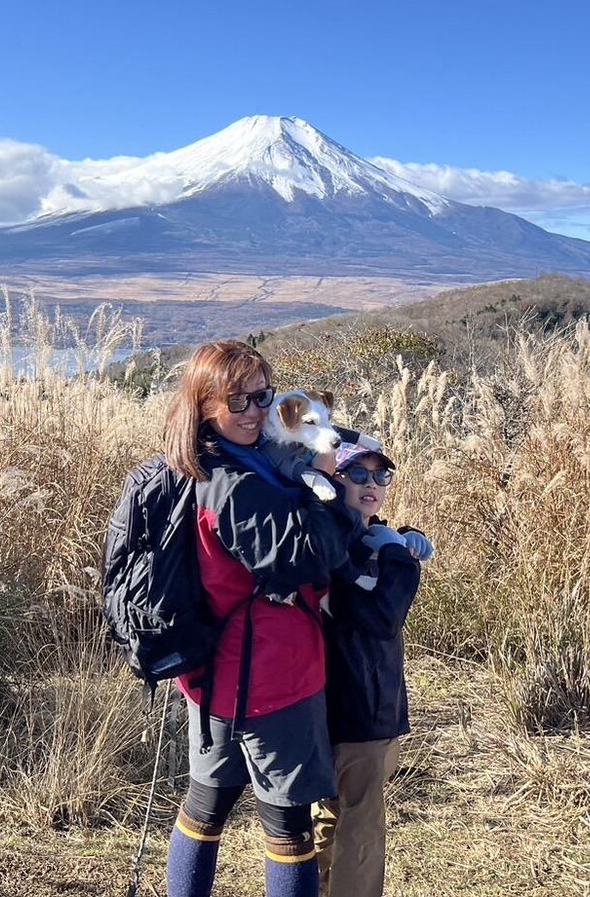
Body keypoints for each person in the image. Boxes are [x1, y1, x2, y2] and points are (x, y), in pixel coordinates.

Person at [162, 339, 360, 897]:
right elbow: (308, 557)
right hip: (269, 673)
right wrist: (329, 485)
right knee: (288, 824)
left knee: (206, 803)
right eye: (237, 400)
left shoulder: (211, 464)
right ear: (205, 404)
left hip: (216, 675)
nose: (254, 411)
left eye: (261, 396)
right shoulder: (234, 486)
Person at [311, 437, 434, 897]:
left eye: (381, 475)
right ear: (330, 479)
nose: (372, 483)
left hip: (348, 706)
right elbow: (383, 616)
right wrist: (399, 553)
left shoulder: (353, 537)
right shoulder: (335, 548)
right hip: (358, 709)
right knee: (361, 824)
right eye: (356, 474)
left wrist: (398, 536)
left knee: (331, 813)